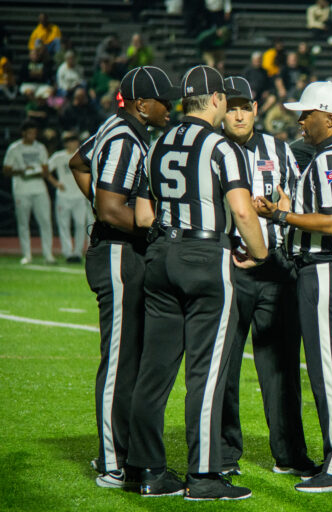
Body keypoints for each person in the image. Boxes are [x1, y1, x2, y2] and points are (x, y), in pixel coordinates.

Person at [127, 65, 266, 500]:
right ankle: (204, 475)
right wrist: (260, 253)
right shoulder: (221, 146)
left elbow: (143, 216)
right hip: (205, 256)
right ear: (218, 100)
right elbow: (241, 210)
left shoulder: (157, 143)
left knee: (154, 370)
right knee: (206, 373)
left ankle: (146, 470)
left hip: (161, 254)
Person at [255, 81, 332, 492]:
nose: (300, 121)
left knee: (329, 372)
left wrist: (280, 217)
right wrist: (292, 208)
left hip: (328, 269)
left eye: (308, 114)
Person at [67, 66, 177, 488]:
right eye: (164, 101)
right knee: (120, 360)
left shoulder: (118, 127)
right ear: (142, 104)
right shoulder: (126, 139)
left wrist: (101, 205)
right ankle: (113, 463)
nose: (170, 108)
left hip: (120, 249)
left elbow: (78, 162)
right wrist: (153, 228)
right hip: (118, 252)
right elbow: (112, 209)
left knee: (129, 354)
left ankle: (121, 453)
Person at [218, 75, 317, 479]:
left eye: (246, 108)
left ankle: (290, 453)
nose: (240, 115)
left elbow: (296, 200)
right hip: (229, 266)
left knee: (281, 367)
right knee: (222, 366)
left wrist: (283, 208)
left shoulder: (278, 148)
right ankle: (223, 454)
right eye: (232, 108)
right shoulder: (212, 148)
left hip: (276, 266)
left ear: (257, 109)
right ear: (220, 110)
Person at [2, 120, 55, 265]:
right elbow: (6, 170)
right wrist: (22, 171)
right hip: (22, 190)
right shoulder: (15, 148)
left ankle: (48, 254)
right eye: (30, 133)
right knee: (23, 223)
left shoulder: (40, 147)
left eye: (34, 133)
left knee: (45, 221)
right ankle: (27, 254)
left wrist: (38, 172)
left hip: (39, 188)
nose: (33, 136)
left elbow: (45, 169)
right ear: (23, 133)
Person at [48, 131, 89, 263]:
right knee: (64, 225)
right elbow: (46, 170)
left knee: (80, 224)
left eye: (74, 140)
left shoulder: (82, 155)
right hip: (63, 195)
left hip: (79, 195)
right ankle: (67, 253)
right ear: (65, 143)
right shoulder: (58, 156)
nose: (72, 143)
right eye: (69, 141)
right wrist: (55, 183)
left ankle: (77, 253)